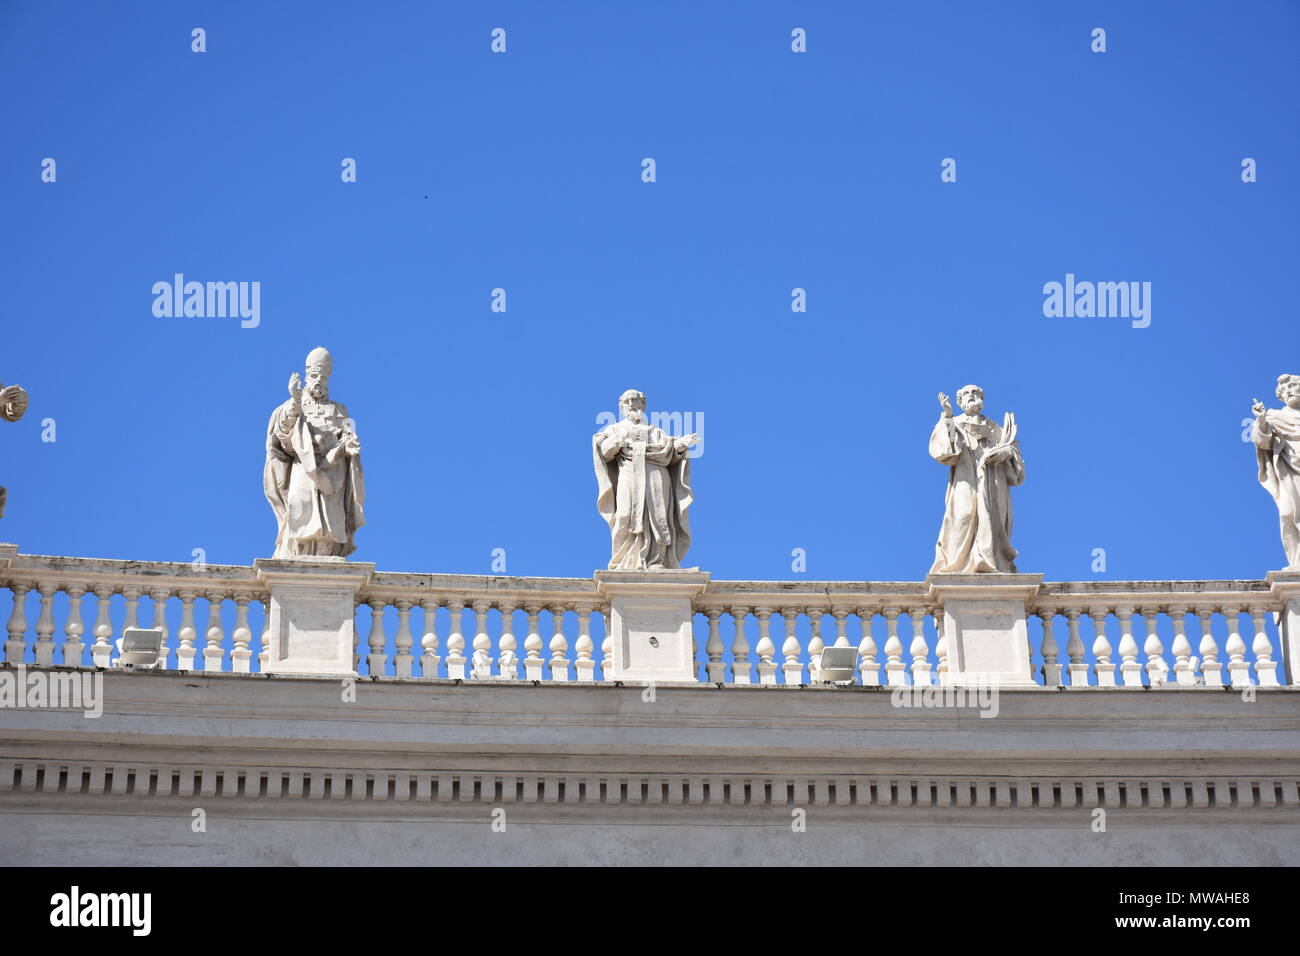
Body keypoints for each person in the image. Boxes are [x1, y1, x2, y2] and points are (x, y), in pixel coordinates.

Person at [264, 347, 365, 558]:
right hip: (304, 470)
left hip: (333, 471)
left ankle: (324, 555)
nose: (318, 380)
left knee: (330, 521)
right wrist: (295, 402)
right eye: (314, 375)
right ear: (307, 375)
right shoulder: (293, 405)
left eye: (322, 376)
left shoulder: (339, 410)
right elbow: (282, 435)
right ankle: (298, 553)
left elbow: (347, 434)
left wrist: (348, 446)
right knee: (300, 506)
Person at [593, 389, 697, 570]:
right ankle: (625, 559)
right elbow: (606, 452)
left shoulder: (655, 431)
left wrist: (680, 445)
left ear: (643, 406)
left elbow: (669, 452)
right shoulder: (615, 429)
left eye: (636, 402)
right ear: (622, 407)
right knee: (625, 515)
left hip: (656, 474)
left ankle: (657, 561)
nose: (632, 405)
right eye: (628, 402)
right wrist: (620, 439)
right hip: (629, 474)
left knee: (658, 517)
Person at [929, 384, 1024, 574]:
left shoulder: (995, 428)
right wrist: (947, 416)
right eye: (966, 394)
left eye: (975, 393)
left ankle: (990, 561)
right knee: (964, 514)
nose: (971, 396)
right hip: (967, 479)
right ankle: (959, 564)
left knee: (992, 519)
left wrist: (1007, 452)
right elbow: (945, 453)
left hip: (993, 481)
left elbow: (1016, 466)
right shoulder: (953, 422)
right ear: (960, 401)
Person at [1251, 373, 1300, 570]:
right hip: (1289, 472)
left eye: (1294, 386)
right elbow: (1262, 440)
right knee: (1287, 514)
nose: (1290, 391)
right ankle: (1297, 562)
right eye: (1285, 390)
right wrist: (1261, 420)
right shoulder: (1275, 417)